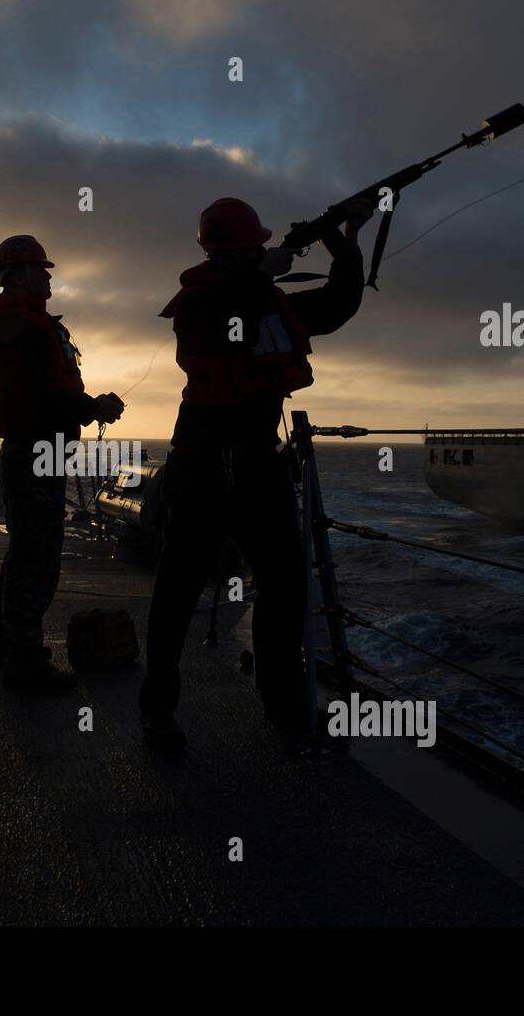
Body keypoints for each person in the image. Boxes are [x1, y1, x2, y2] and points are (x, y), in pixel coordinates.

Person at [140, 196, 373, 753]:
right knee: (178, 588)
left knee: (286, 584)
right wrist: (262, 277)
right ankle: (157, 711)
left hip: (258, 466)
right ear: (230, 254)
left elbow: (340, 303)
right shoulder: (198, 304)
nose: (265, 255)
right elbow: (221, 330)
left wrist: (346, 237)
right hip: (202, 464)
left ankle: (285, 707)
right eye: (255, 249)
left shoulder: (267, 304)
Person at [0, 235, 124, 692]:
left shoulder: (30, 324)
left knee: (27, 550)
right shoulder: (16, 326)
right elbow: (38, 394)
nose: (49, 276)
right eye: (40, 268)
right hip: (35, 451)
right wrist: (90, 406)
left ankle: (7, 641)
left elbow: (47, 392)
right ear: (17, 275)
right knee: (37, 555)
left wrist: (87, 407)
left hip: (41, 448)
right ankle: (24, 659)